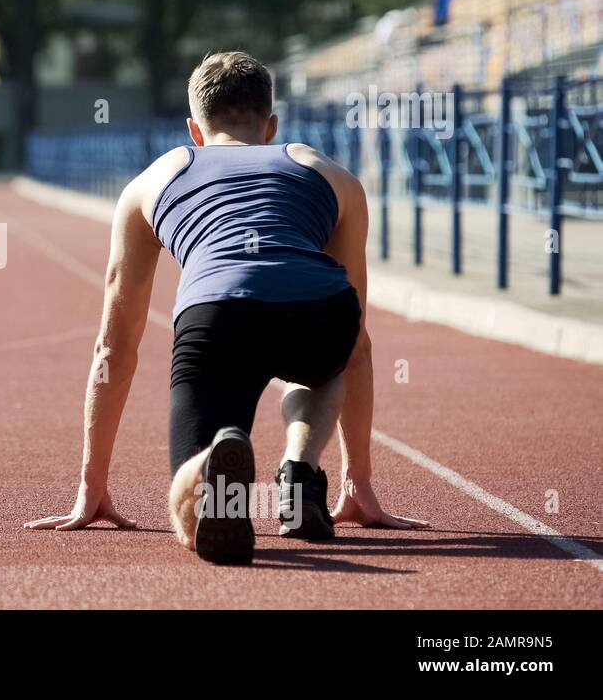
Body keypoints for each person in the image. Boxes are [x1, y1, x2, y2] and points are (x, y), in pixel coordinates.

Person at [25, 51, 428, 564]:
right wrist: (360, 481)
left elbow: (114, 345)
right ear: (272, 126)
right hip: (319, 313)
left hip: (216, 315)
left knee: (190, 509)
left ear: (194, 129)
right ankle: (302, 474)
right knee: (324, 369)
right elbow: (358, 344)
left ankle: (209, 473)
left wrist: (92, 482)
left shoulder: (153, 179)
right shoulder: (327, 173)